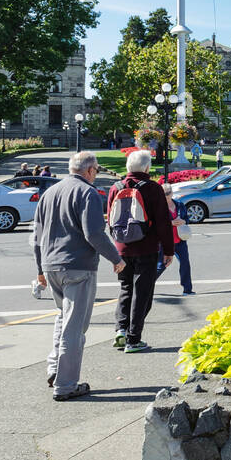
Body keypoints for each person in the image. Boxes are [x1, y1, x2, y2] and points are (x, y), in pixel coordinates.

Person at [32, 152, 126, 401]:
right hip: (77, 266)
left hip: (51, 264)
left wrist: (40, 269)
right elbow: (94, 233)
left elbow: (36, 236)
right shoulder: (88, 193)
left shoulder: (49, 193)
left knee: (62, 319)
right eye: (97, 169)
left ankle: (55, 369)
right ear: (90, 170)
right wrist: (116, 259)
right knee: (75, 328)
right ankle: (66, 384)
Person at [106, 150, 174, 352]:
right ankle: (133, 339)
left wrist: (116, 246)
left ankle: (121, 330)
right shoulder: (153, 188)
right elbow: (163, 223)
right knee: (142, 293)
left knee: (125, 289)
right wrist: (168, 250)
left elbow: (110, 219)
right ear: (146, 168)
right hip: (146, 247)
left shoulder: (115, 187)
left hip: (122, 249)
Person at [157, 183, 194, 295]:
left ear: (172, 193)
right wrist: (170, 223)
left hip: (180, 240)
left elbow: (186, 219)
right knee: (161, 266)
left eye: (168, 193)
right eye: (164, 194)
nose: (166, 196)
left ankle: (187, 289)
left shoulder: (179, 205)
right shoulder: (158, 207)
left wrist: (184, 221)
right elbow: (156, 224)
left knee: (185, 264)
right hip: (165, 242)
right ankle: (144, 286)